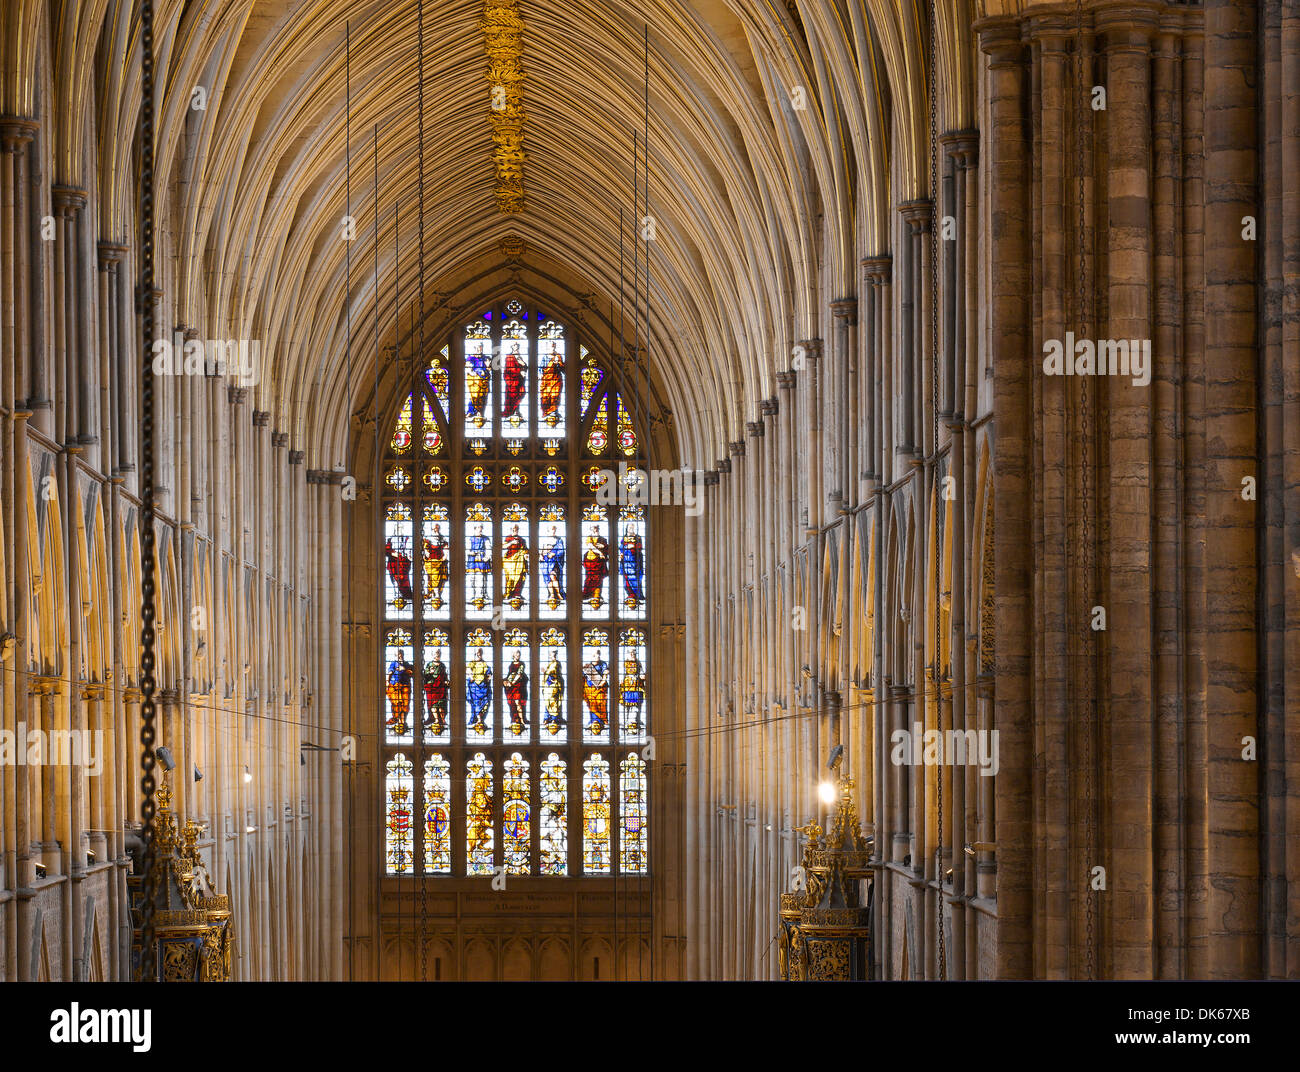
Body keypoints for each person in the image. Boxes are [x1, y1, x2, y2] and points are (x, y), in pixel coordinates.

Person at [501, 523, 529, 608]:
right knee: (510, 578)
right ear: (510, 530)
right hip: (510, 561)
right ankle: (509, 593)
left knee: (520, 577)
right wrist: (511, 542)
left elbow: (525, 550)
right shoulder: (508, 538)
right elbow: (503, 546)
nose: (514, 530)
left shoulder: (522, 540)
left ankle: (517, 594)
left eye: (516, 529)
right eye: (513, 529)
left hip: (520, 561)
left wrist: (526, 555)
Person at [466, 647, 492, 733]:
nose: (478, 654)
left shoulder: (485, 664)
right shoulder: (471, 663)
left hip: (484, 687)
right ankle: (478, 720)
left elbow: (488, 674)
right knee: (476, 703)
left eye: (480, 652)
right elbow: (468, 670)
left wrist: (488, 677)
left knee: (485, 703)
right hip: (474, 687)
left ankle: (480, 720)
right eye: (477, 652)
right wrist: (471, 676)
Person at [504, 649, 529, 735]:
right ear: (513, 655)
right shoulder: (511, 664)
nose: (518, 655)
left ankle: (522, 720)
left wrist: (512, 682)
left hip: (518, 685)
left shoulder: (521, 664)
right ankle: (515, 719)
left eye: (519, 654)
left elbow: (519, 674)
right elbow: (509, 674)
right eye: (516, 654)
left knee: (518, 702)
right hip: (510, 686)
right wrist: (505, 681)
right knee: (512, 703)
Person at [423, 652, 448, 735]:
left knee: (441, 704)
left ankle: (443, 720)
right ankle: (435, 719)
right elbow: (425, 676)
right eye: (436, 654)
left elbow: (445, 675)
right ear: (432, 655)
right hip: (431, 687)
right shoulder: (429, 664)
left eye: (438, 654)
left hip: (440, 687)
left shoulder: (442, 665)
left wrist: (446, 681)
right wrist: (429, 672)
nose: (437, 656)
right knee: (433, 704)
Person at [582, 532, 609, 608]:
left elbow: (608, 548)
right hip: (590, 560)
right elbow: (590, 546)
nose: (595, 530)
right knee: (590, 578)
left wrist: (603, 546)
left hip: (600, 561)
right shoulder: (589, 538)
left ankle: (597, 595)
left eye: (596, 528)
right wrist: (600, 552)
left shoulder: (603, 539)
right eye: (593, 529)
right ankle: (590, 595)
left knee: (599, 578)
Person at [542, 649, 566, 734]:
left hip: (555, 686)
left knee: (555, 702)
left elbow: (556, 673)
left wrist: (552, 677)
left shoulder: (557, 663)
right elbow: (548, 674)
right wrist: (545, 673)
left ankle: (554, 719)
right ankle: (547, 718)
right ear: (549, 656)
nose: (554, 656)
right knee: (547, 702)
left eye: (555, 655)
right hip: (548, 686)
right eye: (552, 655)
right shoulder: (550, 664)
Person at [542, 525, 566, 609]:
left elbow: (561, 551)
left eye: (554, 530)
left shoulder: (559, 540)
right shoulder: (544, 540)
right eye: (552, 530)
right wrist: (542, 555)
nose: (553, 532)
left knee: (553, 576)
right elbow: (541, 551)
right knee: (547, 579)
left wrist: (554, 553)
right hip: (545, 563)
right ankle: (552, 595)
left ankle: (558, 593)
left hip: (554, 562)